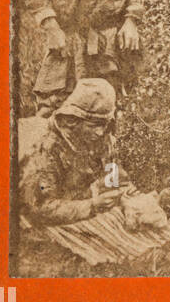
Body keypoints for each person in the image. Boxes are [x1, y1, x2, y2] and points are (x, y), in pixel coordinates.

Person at [18, 78, 123, 226]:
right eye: (94, 125)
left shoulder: (104, 141)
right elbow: (38, 208)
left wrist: (114, 194)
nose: (100, 132)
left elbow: (111, 181)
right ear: (73, 120)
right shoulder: (48, 147)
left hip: (81, 210)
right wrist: (92, 205)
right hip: (46, 219)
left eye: (104, 125)